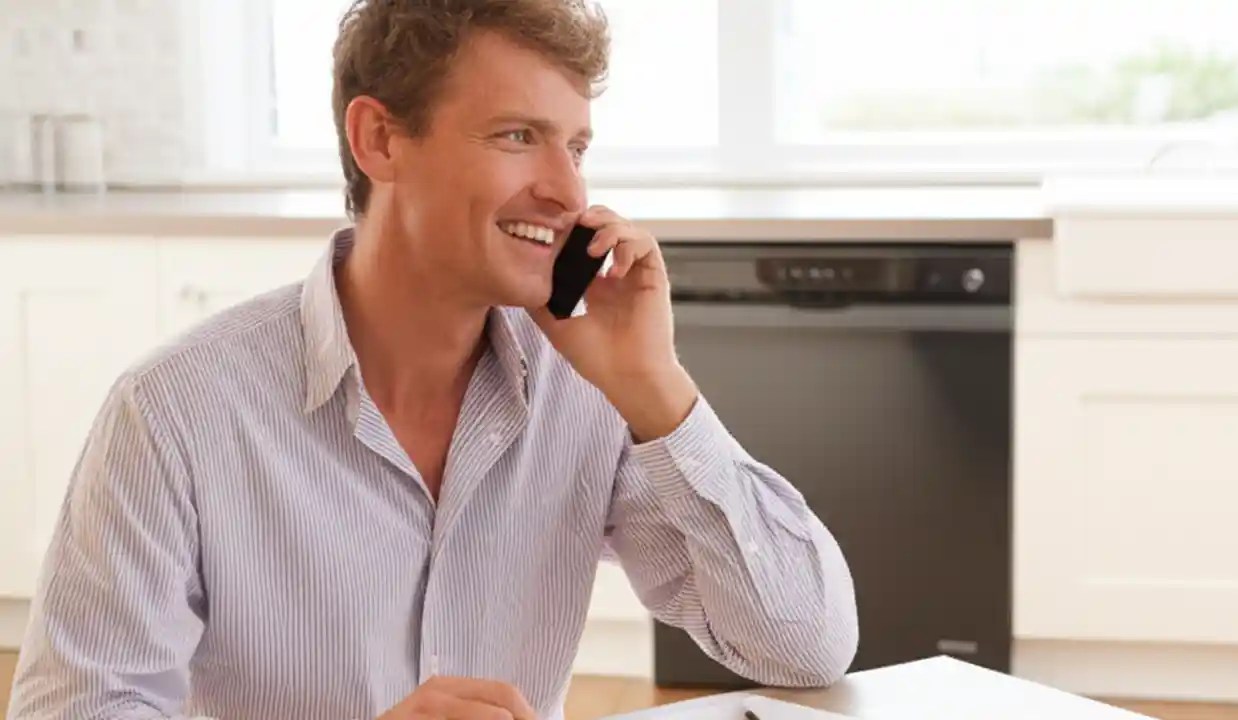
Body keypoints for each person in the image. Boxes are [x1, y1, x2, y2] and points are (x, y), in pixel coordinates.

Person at [7, 1, 858, 718]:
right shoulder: (175, 411)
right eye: (519, 135)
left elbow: (803, 647)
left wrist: (656, 390)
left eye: (579, 146)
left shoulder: (591, 391)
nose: (567, 191)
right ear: (380, 140)